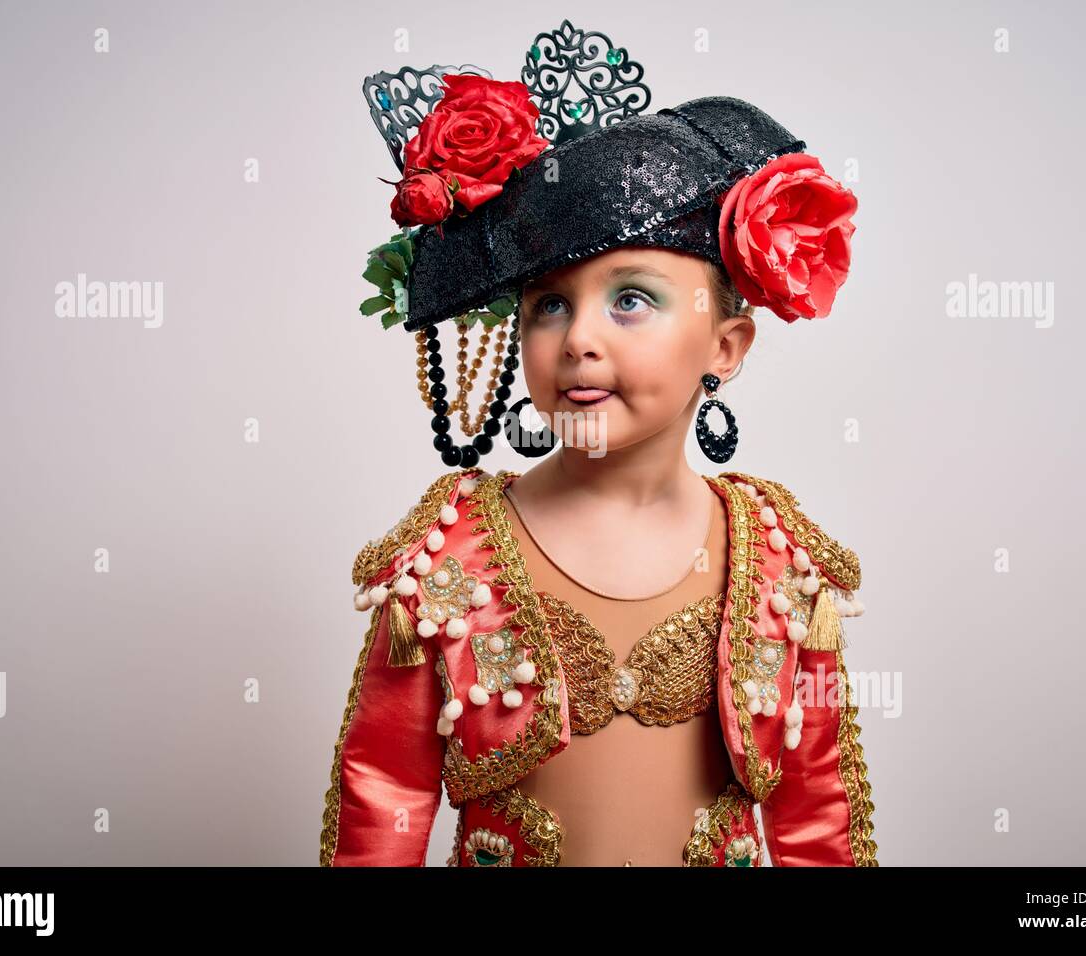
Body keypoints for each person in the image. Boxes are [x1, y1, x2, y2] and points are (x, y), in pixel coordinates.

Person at [322, 19, 876, 866]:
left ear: (725, 347)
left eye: (631, 300)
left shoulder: (779, 565)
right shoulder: (447, 560)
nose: (579, 338)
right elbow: (383, 804)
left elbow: (816, 821)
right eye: (548, 304)